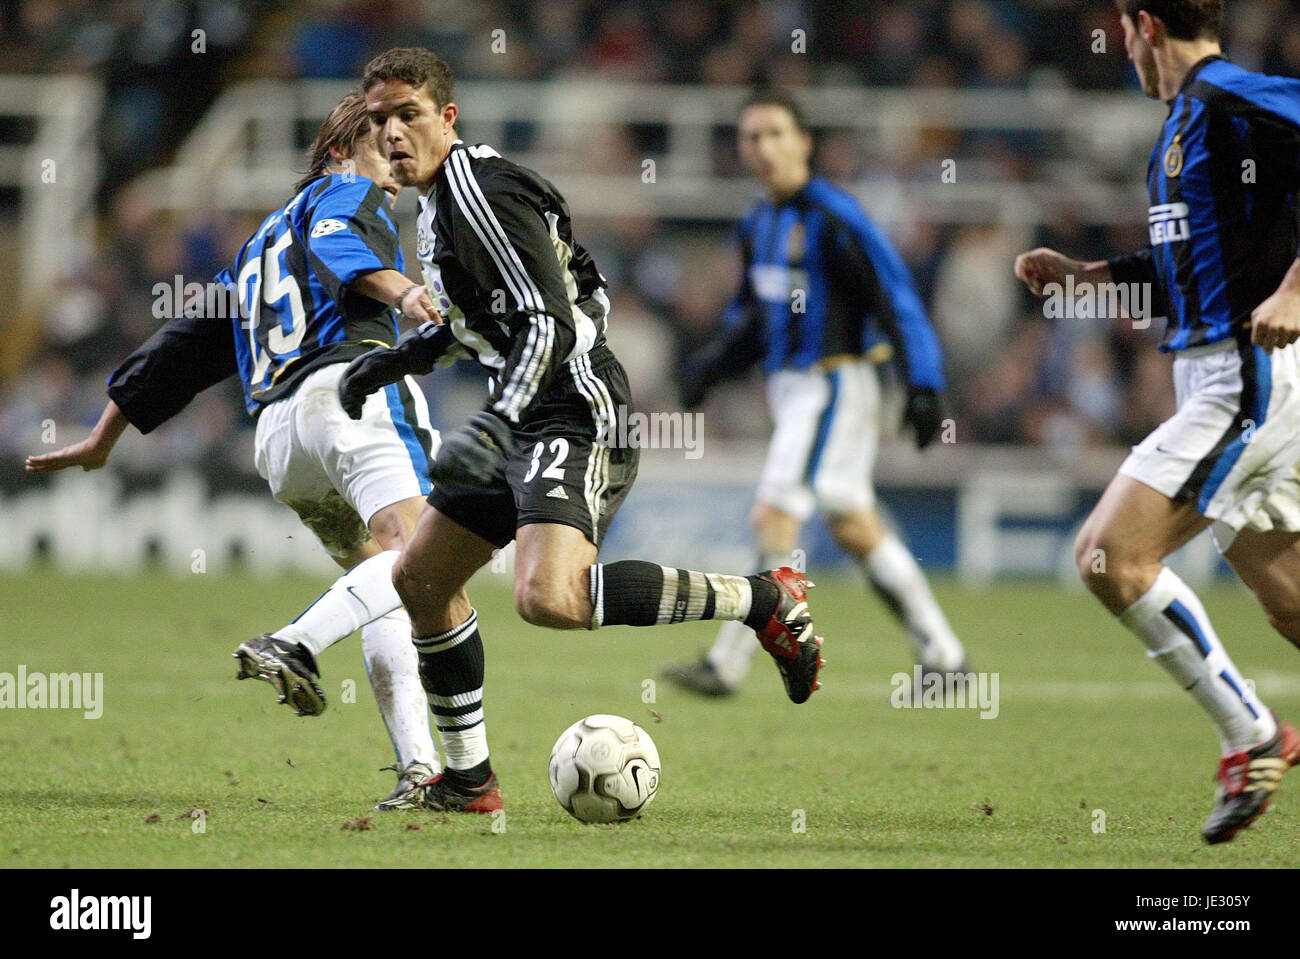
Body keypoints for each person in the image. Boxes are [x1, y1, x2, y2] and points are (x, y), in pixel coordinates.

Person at [334, 47, 827, 812]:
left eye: (409, 115)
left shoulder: (480, 195)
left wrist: (496, 421)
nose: (392, 133)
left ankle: (763, 599)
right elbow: (479, 324)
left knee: (549, 597)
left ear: (447, 118)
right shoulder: (439, 206)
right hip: (522, 407)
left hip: (572, 405)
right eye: (379, 120)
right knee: (419, 579)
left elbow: (549, 325)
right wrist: (392, 364)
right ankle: (469, 780)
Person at [27, 93, 453, 810]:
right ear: (341, 152)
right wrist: (406, 292)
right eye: (385, 145)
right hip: (349, 393)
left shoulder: (258, 247)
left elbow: (187, 342)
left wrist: (107, 433)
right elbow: (339, 242)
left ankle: (419, 769)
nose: (396, 162)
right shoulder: (346, 196)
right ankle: (294, 641)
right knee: (420, 560)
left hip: (281, 437)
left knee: (382, 582)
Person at [1014, 0, 1300, 844]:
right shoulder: (1185, 121)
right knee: (1290, 604)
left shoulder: (1230, 95)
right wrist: (1093, 275)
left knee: (1109, 554)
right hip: (1219, 375)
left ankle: (1252, 737)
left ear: (1140, 24)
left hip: (1246, 376)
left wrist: (1294, 290)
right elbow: (1190, 262)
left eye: (1121, 33)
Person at [661, 88, 968, 697]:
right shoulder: (758, 222)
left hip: (832, 383)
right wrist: (711, 367)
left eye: (776, 133)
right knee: (855, 527)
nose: (764, 147)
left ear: (804, 142)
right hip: (795, 390)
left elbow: (896, 297)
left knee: (773, 516)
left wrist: (925, 384)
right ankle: (945, 657)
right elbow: (751, 318)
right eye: (752, 137)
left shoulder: (834, 217)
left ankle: (728, 662)